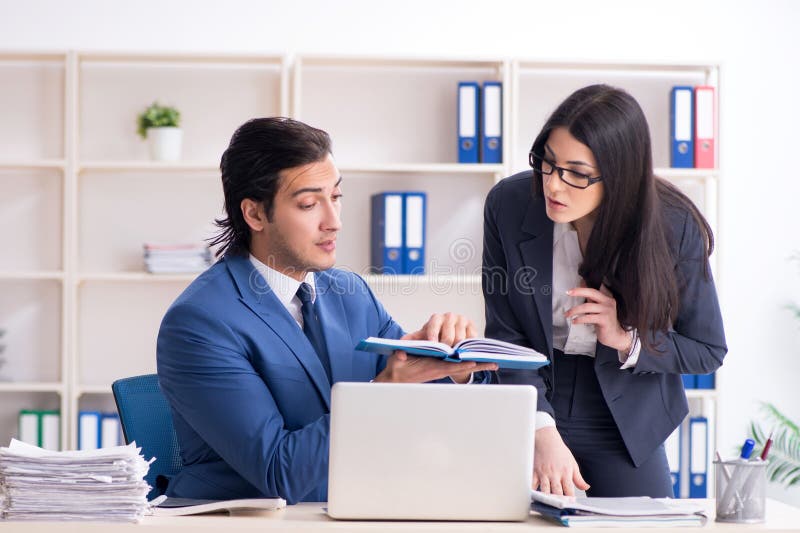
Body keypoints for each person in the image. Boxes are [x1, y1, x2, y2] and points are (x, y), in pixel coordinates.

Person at [157, 117, 497, 504]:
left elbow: (412, 383)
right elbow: (278, 472)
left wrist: (451, 361)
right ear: (254, 214)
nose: (334, 222)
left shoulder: (349, 292)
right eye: (308, 204)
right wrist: (384, 391)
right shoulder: (200, 323)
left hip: (352, 508)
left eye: (335, 197)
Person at [482, 84, 727, 498]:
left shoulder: (673, 225)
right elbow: (507, 335)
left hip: (625, 409)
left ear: (619, 178)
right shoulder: (507, 204)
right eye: (547, 162)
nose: (553, 186)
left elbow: (708, 350)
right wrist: (541, 428)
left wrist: (628, 340)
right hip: (533, 389)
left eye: (576, 173)